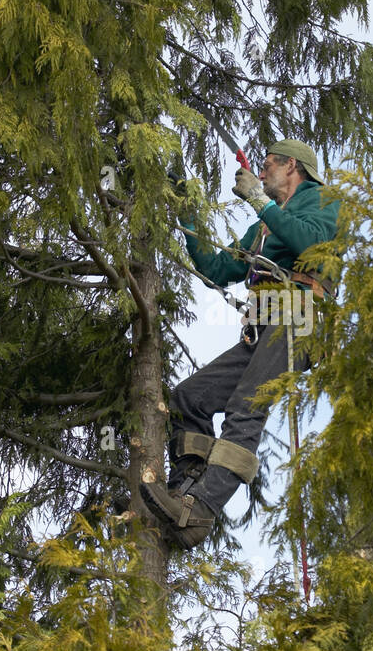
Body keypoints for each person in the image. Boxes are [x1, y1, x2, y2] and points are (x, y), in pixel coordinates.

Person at [141, 139, 340, 548]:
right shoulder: (263, 228)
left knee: (246, 406)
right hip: (264, 324)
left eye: (267, 166)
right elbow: (217, 268)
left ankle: (202, 508)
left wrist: (257, 200)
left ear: (293, 167)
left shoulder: (321, 200)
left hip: (300, 318)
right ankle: (183, 494)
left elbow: (309, 245)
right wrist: (186, 207)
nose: (260, 173)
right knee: (189, 398)